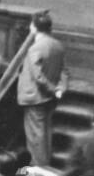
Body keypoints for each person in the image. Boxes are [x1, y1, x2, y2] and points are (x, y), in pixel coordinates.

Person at [16, 11, 67, 167]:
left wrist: (53, 89)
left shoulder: (35, 48)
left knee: (35, 142)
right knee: (44, 138)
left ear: (34, 27)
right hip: (49, 99)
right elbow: (65, 71)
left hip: (35, 98)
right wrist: (60, 89)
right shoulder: (58, 45)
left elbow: (38, 76)